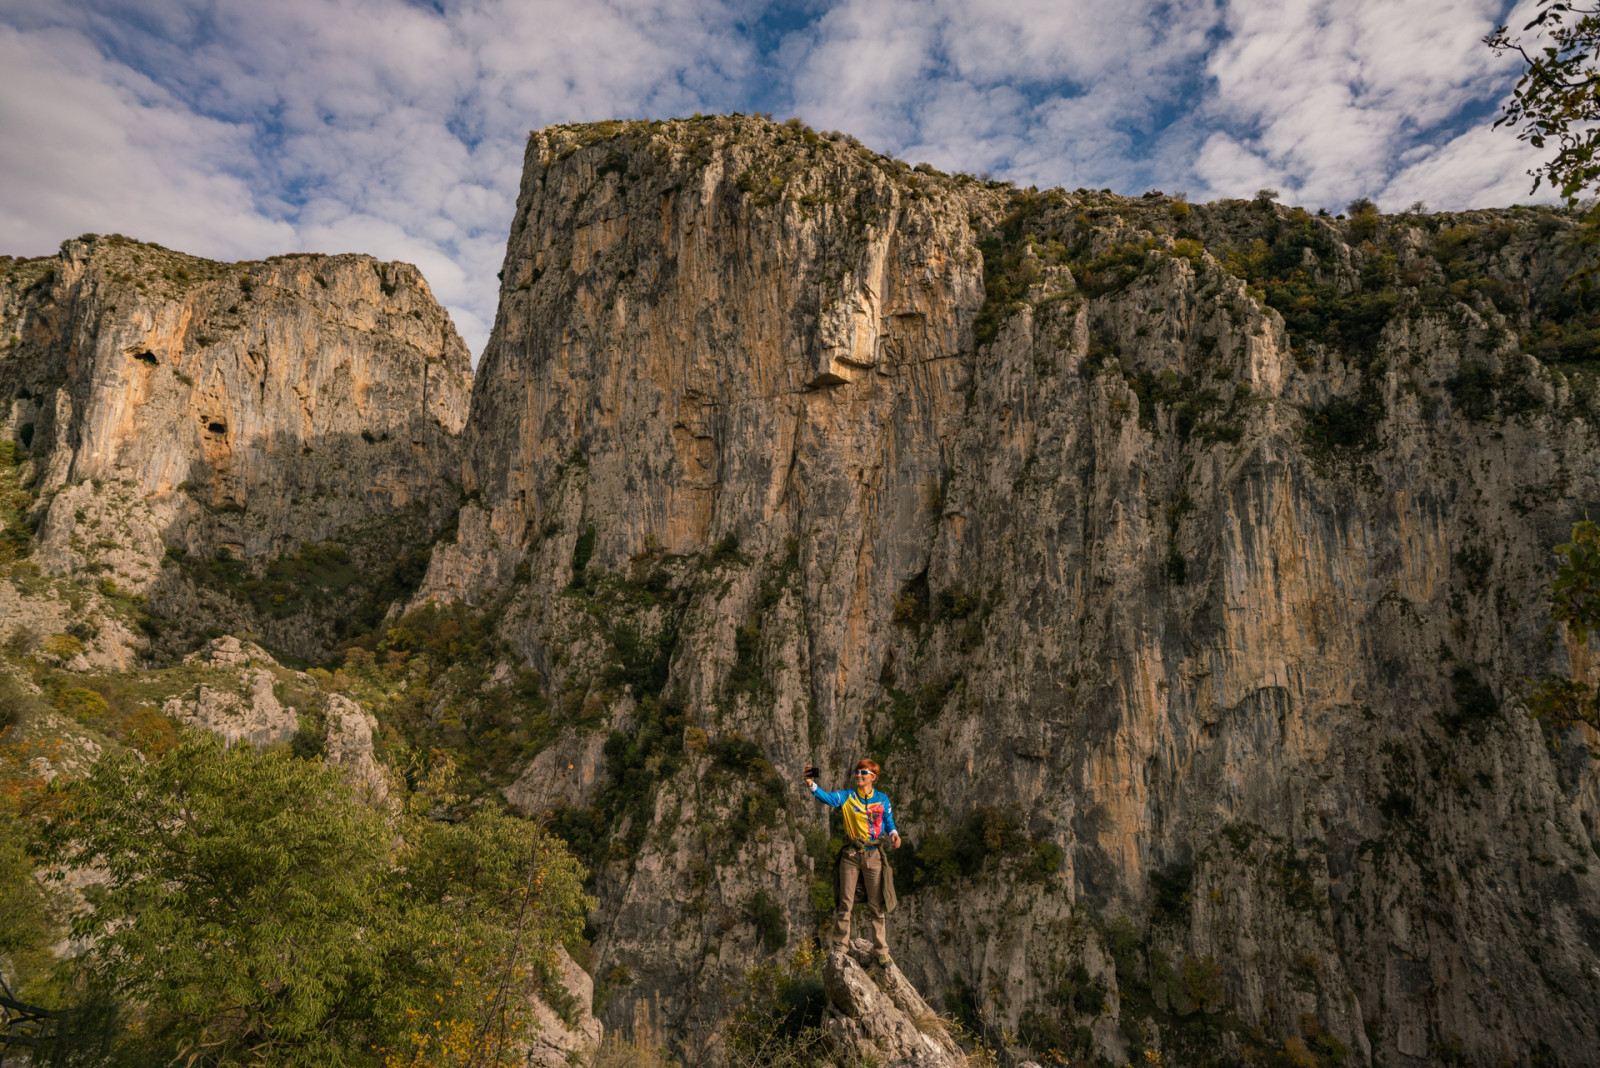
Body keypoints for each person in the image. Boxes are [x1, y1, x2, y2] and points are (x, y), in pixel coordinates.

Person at [805, 758, 900, 966]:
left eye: (863, 773)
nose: (858, 775)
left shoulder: (882, 799)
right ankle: (840, 947)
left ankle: (881, 950)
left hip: (874, 853)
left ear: (873, 777)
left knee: (876, 904)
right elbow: (827, 798)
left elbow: (888, 821)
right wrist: (811, 784)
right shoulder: (848, 797)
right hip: (851, 854)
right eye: (857, 772)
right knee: (845, 902)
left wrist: (894, 833)